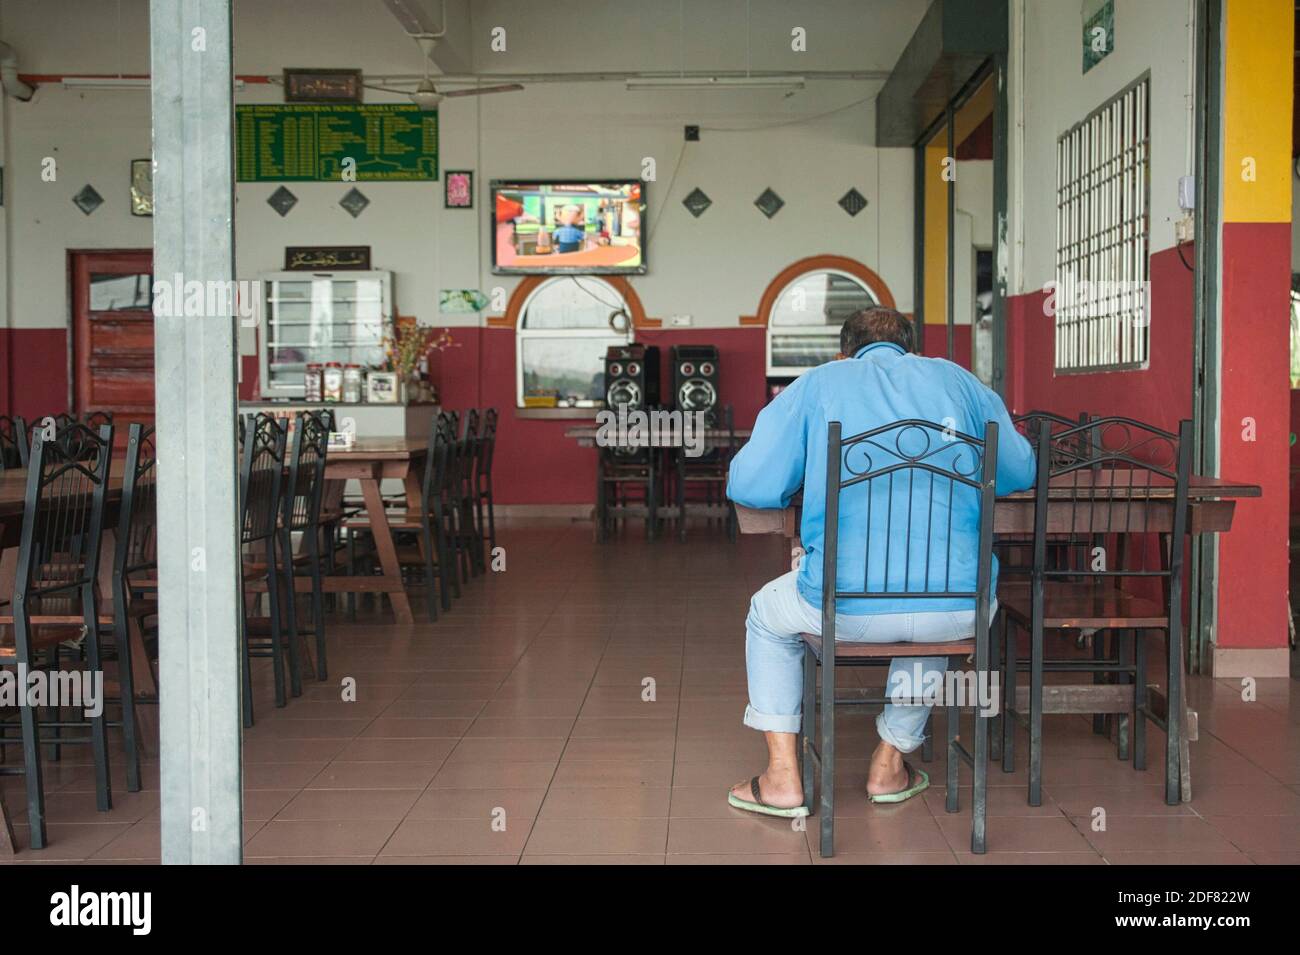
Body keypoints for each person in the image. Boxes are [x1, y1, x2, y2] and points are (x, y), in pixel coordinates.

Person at [724, 307, 1035, 816]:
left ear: (844, 352)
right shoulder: (961, 381)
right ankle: (889, 762)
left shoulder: (820, 382)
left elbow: (754, 486)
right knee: (932, 609)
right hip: (961, 608)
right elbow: (1020, 470)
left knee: (765, 614)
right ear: (912, 348)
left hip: (844, 607)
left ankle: (782, 777)